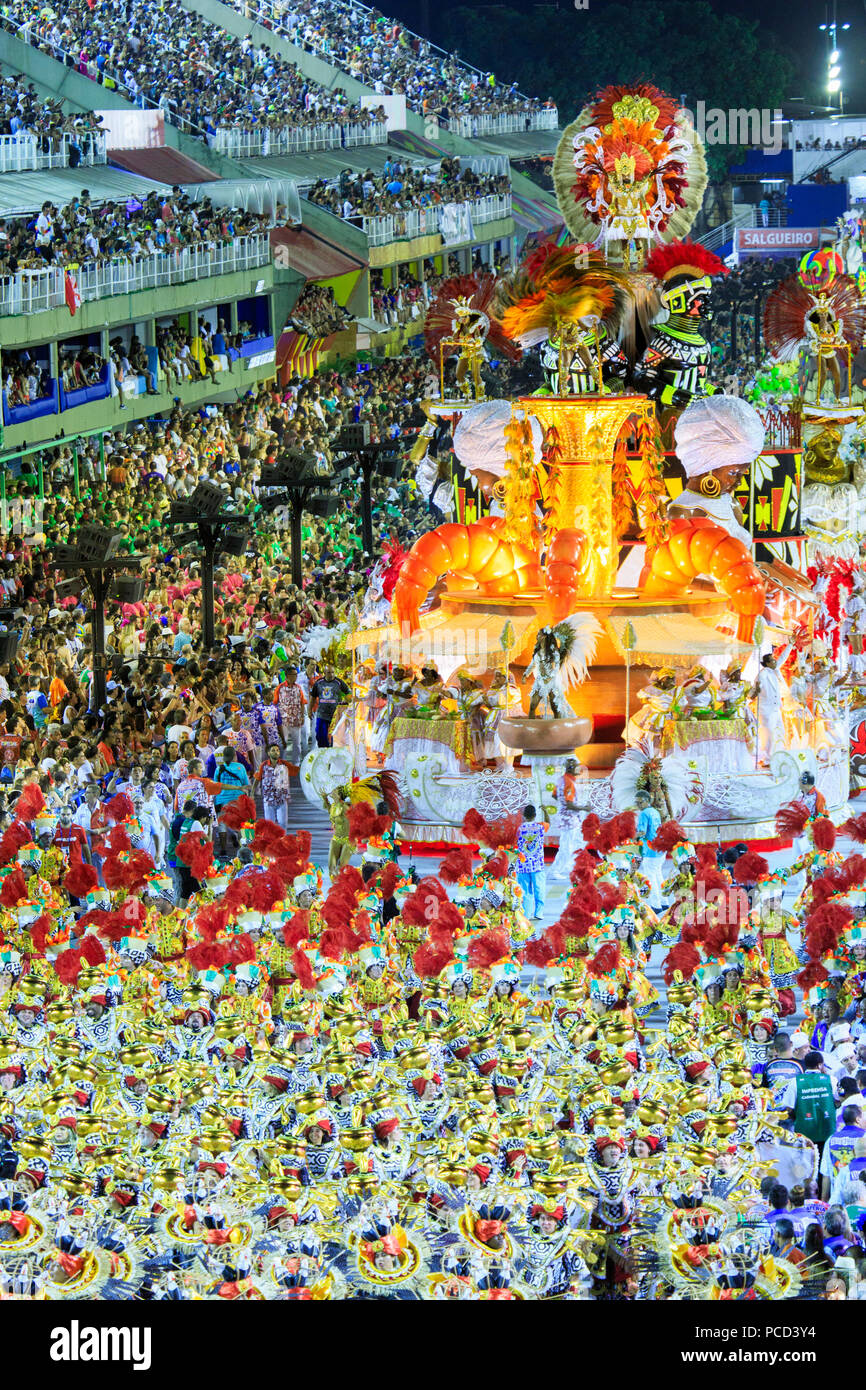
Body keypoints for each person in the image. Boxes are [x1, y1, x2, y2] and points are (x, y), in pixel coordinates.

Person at [784, 1051, 839, 1156]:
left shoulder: (795, 1082)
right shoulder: (831, 1080)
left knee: (807, 1167)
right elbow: (838, 1100)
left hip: (804, 1135)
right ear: (820, 1065)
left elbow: (788, 1108)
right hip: (828, 1131)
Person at [516, 803, 547, 922]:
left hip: (522, 865)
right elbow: (548, 823)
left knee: (524, 890)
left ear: (524, 815)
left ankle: (527, 913)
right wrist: (545, 812)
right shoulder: (540, 827)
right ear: (535, 815)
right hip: (537, 865)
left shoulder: (519, 829)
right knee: (539, 889)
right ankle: (539, 912)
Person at [635, 790, 663, 911]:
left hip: (651, 851)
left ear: (647, 801)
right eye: (637, 802)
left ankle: (656, 905)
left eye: (640, 802)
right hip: (660, 849)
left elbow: (642, 832)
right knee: (658, 875)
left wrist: (630, 837)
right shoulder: (655, 812)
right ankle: (664, 901)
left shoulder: (644, 813)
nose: (638, 805)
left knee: (651, 877)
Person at [309, 664, 350, 749]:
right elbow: (313, 697)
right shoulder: (318, 683)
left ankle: (333, 751)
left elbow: (348, 693)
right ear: (324, 673)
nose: (331, 674)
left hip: (335, 715)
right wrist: (309, 710)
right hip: (322, 714)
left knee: (335, 736)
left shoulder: (339, 682)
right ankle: (323, 751)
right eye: (328, 672)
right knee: (320, 735)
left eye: (332, 672)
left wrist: (346, 703)